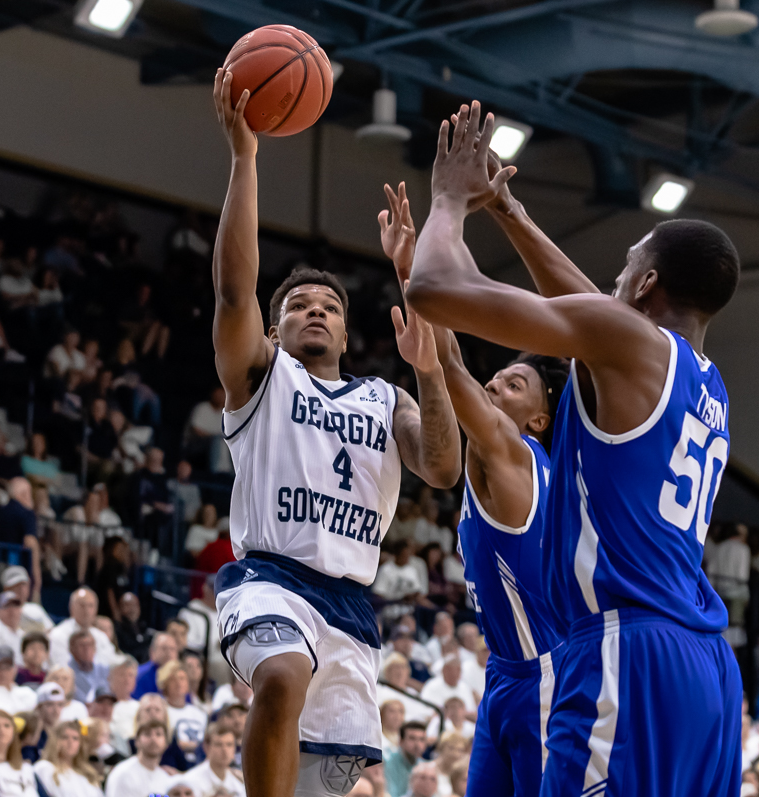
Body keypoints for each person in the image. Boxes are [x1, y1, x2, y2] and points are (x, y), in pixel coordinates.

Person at [407, 101, 743, 797]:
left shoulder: (629, 344)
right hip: (706, 665)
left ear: (646, 284)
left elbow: (434, 289)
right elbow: (595, 315)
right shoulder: (706, 385)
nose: (616, 278)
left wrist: (448, 200)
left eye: (628, 264)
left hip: (627, 647)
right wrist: (508, 211)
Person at [207, 69, 462, 797]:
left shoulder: (385, 397)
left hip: (349, 605)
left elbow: (443, 468)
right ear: (275, 330)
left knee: (333, 786)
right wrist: (245, 158)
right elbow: (234, 291)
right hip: (269, 578)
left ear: (347, 332)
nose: (314, 310)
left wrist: (430, 371)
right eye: (297, 306)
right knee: (282, 674)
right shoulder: (262, 378)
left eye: (328, 306)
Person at [49, 588, 117, 669]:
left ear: (96, 609)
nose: (86, 610)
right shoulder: (58, 634)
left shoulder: (101, 636)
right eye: (82, 605)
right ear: (71, 607)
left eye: (90, 606)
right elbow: (61, 666)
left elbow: (111, 663)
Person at [103, 720, 173, 797]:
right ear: (137, 741)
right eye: (147, 734)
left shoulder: (164, 778)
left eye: (158, 734)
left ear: (167, 743)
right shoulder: (123, 773)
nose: (153, 738)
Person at [33, 720, 101, 797]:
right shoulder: (45, 768)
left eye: (75, 738)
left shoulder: (87, 773)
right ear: (55, 740)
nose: (70, 742)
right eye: (65, 737)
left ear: (80, 744)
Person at [185, 723, 246, 797]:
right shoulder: (190, 781)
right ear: (207, 747)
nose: (225, 750)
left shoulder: (239, 782)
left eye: (229, 744)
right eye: (218, 744)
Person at [66, 630, 112, 703]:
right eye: (82, 645)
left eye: (90, 645)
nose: (87, 649)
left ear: (95, 649)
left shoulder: (105, 671)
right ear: (72, 649)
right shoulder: (66, 673)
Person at [384, 722, 428, 797]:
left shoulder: (426, 767)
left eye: (421, 739)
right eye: (412, 738)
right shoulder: (388, 763)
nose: (417, 744)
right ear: (401, 741)